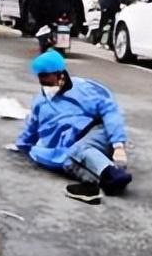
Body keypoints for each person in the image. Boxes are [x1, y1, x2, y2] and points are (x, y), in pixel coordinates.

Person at [14, 50, 132, 205]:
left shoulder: (85, 89)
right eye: (40, 77)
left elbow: (110, 112)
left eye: (46, 76)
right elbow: (31, 130)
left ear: (59, 74)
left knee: (78, 150)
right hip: (72, 149)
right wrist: (22, 145)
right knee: (68, 162)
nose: (43, 81)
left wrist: (118, 145)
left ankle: (112, 174)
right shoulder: (39, 102)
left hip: (97, 134)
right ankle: (103, 182)